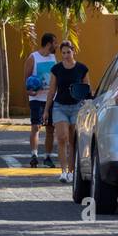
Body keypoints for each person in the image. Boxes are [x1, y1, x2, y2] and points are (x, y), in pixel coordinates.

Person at [43, 40, 90, 183]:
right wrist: (46, 110)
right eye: (63, 53)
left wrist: (87, 106)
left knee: (73, 141)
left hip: (77, 107)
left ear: (73, 51)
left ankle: (71, 171)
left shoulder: (82, 68)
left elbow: (87, 88)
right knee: (62, 138)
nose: (66, 55)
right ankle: (63, 171)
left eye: (68, 52)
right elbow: (52, 90)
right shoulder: (56, 69)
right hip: (60, 107)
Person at [24, 33, 58, 167]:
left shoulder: (53, 57)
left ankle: (47, 157)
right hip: (36, 99)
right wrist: (30, 91)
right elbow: (26, 80)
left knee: (50, 128)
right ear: (49, 44)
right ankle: (34, 155)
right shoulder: (33, 58)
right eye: (55, 43)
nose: (56, 45)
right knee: (36, 126)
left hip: (51, 98)